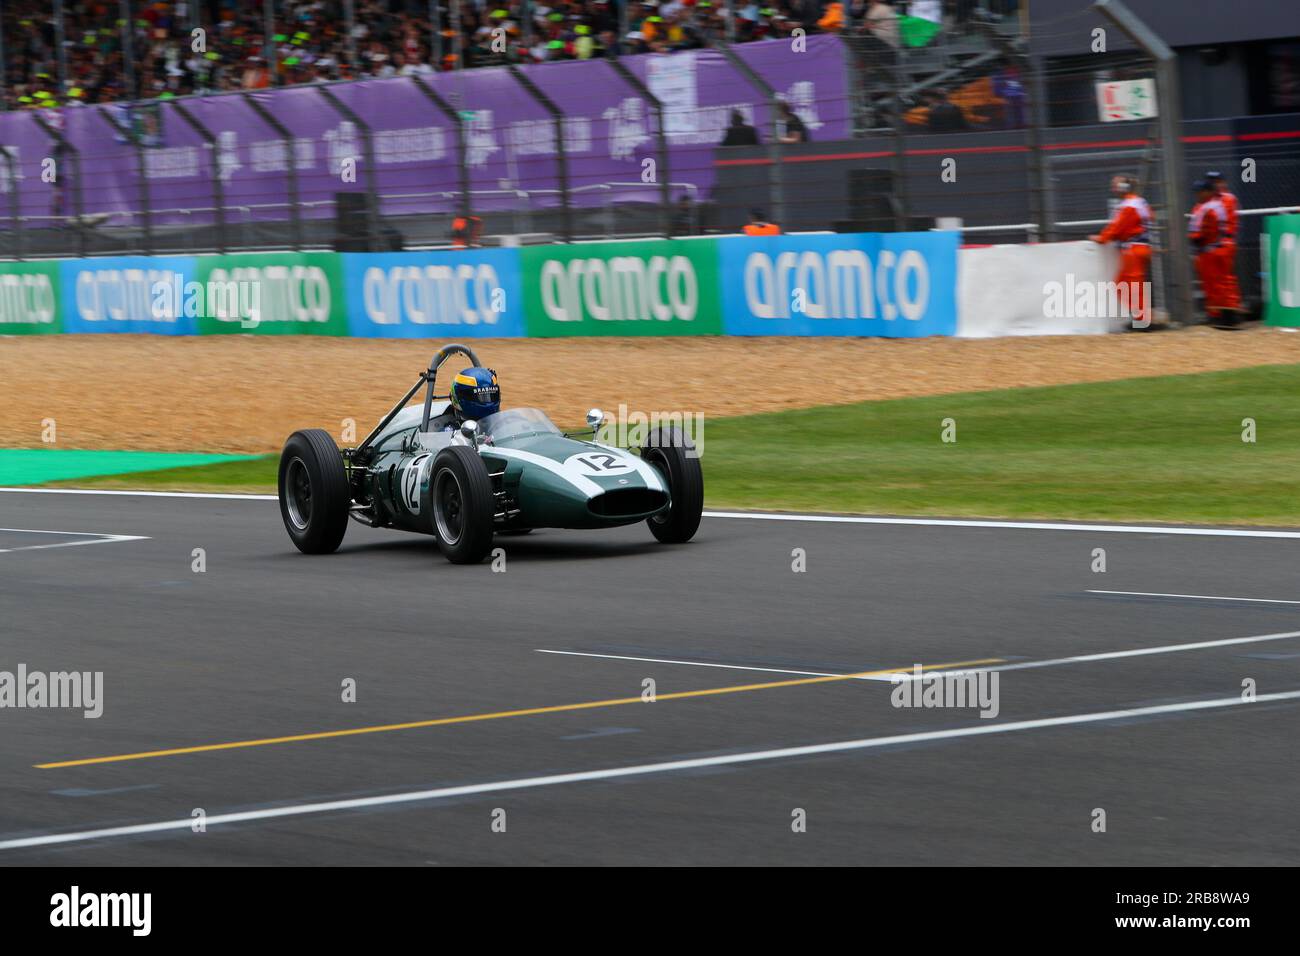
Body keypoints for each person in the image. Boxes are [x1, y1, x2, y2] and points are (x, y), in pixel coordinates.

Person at [1090, 174, 1152, 328]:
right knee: (1124, 284)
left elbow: (1116, 227)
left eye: (1115, 185)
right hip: (1138, 248)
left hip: (1133, 248)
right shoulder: (1139, 202)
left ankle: (1142, 321)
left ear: (1124, 187)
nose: (1113, 188)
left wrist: (1102, 238)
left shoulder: (1129, 206)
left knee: (1131, 285)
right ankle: (1140, 318)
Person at [1189, 179, 1232, 326]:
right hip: (1212, 248)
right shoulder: (1212, 206)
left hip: (1210, 250)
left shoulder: (1208, 208)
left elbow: (1203, 231)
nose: (1198, 195)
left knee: (1215, 285)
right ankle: (1220, 315)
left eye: (1200, 192)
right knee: (1215, 284)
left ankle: (1223, 317)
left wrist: (1195, 238)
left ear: (1208, 192)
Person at [1206, 169, 1244, 316]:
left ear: (1223, 183)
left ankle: (1232, 310)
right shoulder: (1208, 200)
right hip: (1211, 244)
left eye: (1217, 182)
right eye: (1211, 182)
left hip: (1224, 241)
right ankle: (1217, 312)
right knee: (1213, 279)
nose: (1214, 185)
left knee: (1226, 278)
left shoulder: (1228, 198)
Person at [429, 367, 502, 432]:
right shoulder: (449, 433)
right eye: (482, 397)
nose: (488, 402)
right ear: (463, 397)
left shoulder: (501, 423)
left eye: (491, 395)